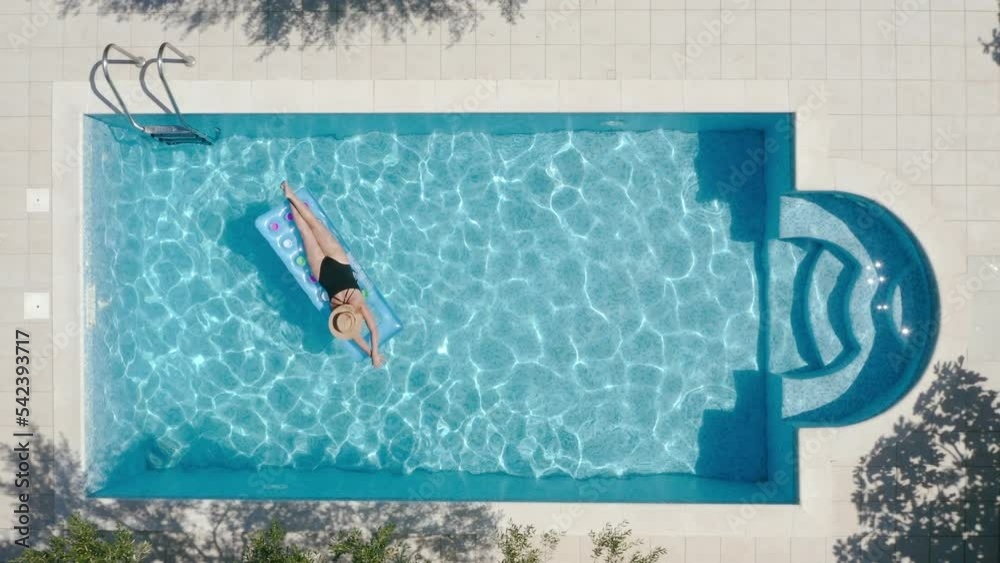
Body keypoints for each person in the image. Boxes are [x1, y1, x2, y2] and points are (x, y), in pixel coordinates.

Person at [282, 181, 385, 368]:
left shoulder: (359, 306)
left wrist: (375, 353)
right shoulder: (337, 315)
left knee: (313, 224)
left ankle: (290, 194)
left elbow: (373, 332)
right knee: (305, 233)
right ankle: (288, 199)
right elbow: (359, 340)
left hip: (340, 262)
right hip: (322, 273)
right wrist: (372, 356)